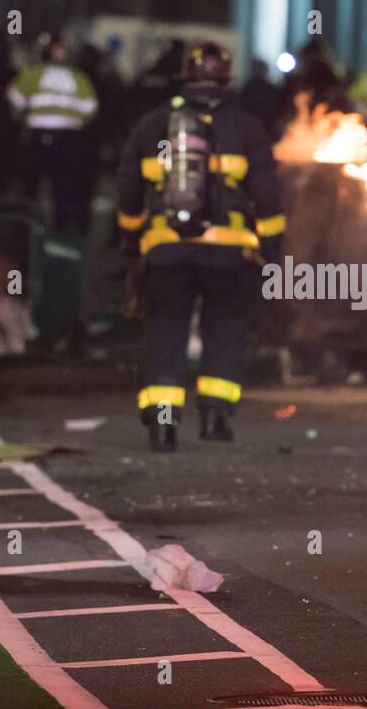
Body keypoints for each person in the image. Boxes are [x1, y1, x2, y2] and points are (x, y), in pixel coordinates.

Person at [116, 42, 285, 451]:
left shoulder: (154, 124)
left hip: (166, 248)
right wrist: (272, 248)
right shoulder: (247, 127)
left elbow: (128, 190)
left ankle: (162, 424)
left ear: (184, 77)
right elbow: (267, 195)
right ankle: (215, 418)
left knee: (165, 330)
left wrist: (132, 241)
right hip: (229, 254)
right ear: (226, 78)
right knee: (225, 328)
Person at [6, 35, 98, 232]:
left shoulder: (34, 73)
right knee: (62, 186)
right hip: (69, 137)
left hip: (38, 136)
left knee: (32, 185)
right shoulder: (78, 77)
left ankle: (28, 228)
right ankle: (60, 230)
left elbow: (14, 97)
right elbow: (90, 108)